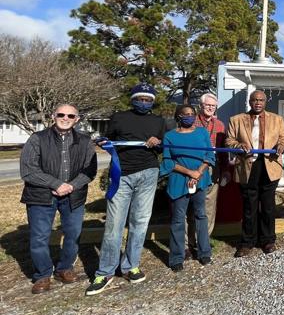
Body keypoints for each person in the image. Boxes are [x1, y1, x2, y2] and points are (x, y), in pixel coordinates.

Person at [86, 83, 165, 296]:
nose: (144, 102)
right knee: (114, 225)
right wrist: (102, 142)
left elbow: (161, 147)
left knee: (140, 222)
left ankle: (131, 265)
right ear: (133, 99)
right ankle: (105, 271)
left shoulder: (159, 121)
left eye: (148, 100)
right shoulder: (119, 117)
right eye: (140, 99)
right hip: (122, 174)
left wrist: (157, 142)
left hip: (148, 174)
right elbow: (108, 140)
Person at [20, 104, 97, 294]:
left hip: (73, 196)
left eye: (70, 116)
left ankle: (64, 268)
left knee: (73, 233)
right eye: (61, 114)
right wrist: (56, 184)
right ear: (53, 116)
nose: (65, 118)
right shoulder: (37, 138)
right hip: (41, 196)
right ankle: (43, 274)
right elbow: (28, 170)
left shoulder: (85, 141)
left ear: (76, 119)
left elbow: (90, 170)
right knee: (39, 237)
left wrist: (71, 185)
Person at [225, 90, 284, 257]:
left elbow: (283, 138)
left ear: (265, 102)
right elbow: (229, 140)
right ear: (250, 102)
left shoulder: (277, 119)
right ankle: (247, 242)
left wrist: (281, 145)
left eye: (261, 100)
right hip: (247, 166)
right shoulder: (236, 120)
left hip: (270, 165)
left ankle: (268, 240)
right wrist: (238, 145)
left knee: (268, 206)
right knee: (249, 206)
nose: (258, 103)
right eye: (255, 100)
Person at [161, 105, 216, 271]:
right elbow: (168, 161)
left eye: (192, 114)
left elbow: (209, 155)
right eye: (186, 114)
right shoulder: (170, 136)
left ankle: (204, 252)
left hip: (200, 179)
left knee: (201, 215)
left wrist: (199, 172)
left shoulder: (202, 133)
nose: (189, 116)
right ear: (178, 116)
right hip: (179, 181)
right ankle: (177, 257)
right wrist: (189, 172)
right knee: (178, 219)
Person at [185, 93, 228, 260]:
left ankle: (203, 241)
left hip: (213, 168)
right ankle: (187, 244)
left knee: (209, 206)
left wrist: (225, 169)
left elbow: (223, 150)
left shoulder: (220, 124)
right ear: (201, 106)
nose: (210, 108)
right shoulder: (191, 122)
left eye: (213, 106)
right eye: (207, 105)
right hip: (193, 167)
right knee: (191, 206)